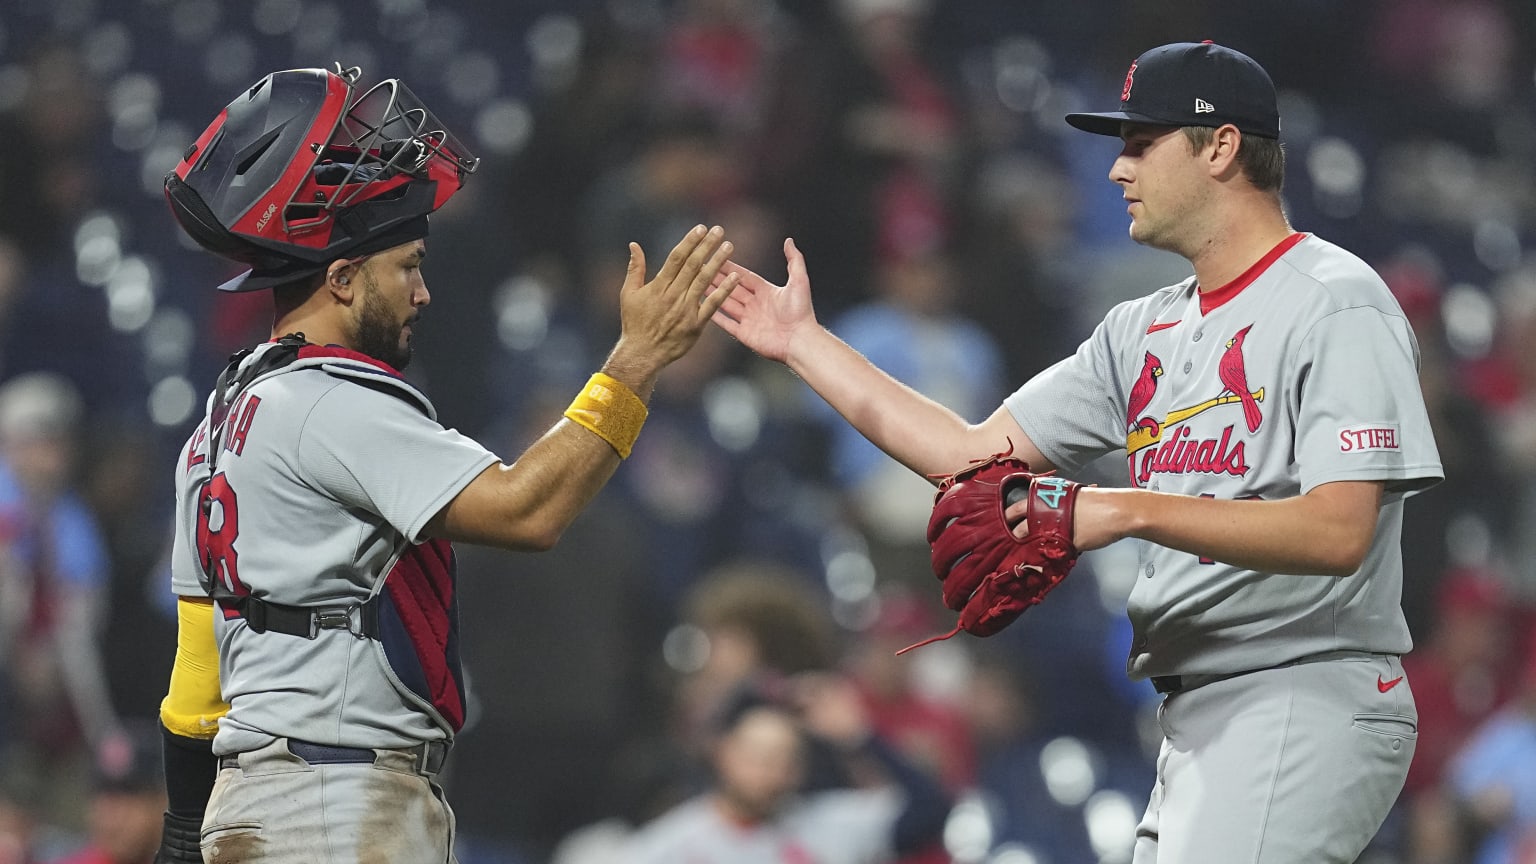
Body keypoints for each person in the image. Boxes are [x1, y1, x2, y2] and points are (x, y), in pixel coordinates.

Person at [712, 41, 1442, 862]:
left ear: (1222, 147)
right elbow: (969, 456)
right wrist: (805, 345)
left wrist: (1118, 509)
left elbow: (1339, 532)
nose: (1116, 170)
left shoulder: (1334, 303)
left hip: (1304, 685)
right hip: (1202, 712)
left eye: (1141, 144)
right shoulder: (1141, 329)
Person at [153, 64, 739, 863]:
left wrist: (185, 834)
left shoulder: (222, 418)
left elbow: (196, 672)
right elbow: (526, 512)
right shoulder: (334, 400)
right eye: (409, 266)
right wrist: (635, 363)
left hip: (258, 801)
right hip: (336, 803)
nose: (423, 292)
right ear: (343, 277)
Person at [622, 673, 951, 864]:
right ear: (723, 754)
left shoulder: (827, 825)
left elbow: (931, 807)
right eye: (758, 756)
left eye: (784, 758)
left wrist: (860, 735)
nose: (771, 772)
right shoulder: (673, 844)